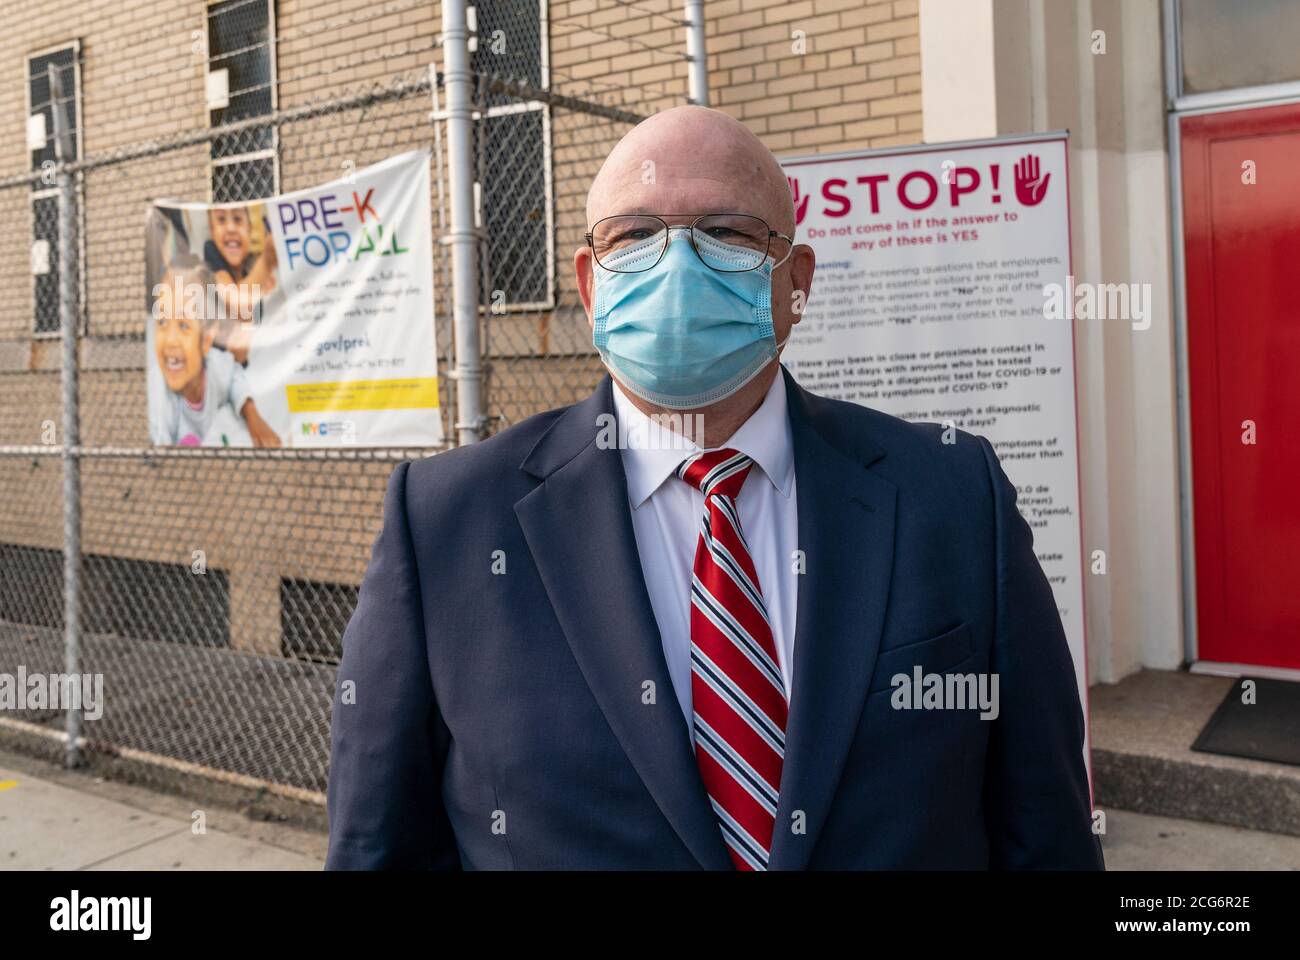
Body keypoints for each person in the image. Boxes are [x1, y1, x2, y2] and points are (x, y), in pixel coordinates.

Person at [325, 106, 1103, 871]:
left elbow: (1046, 834)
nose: (677, 268)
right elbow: (378, 848)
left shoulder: (955, 498)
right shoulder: (445, 524)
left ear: (795, 284)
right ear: (591, 288)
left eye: (725, 233)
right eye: (634, 236)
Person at [149, 255, 282, 448]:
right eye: (162, 321)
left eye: (183, 325)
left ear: (207, 339)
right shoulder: (160, 392)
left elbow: (234, 378)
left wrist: (253, 416)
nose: (170, 340)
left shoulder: (216, 365)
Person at [204, 205, 278, 364]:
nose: (231, 228)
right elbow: (235, 301)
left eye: (237, 219)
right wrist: (266, 262)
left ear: (249, 230)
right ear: (211, 230)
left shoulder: (251, 273)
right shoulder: (210, 254)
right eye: (221, 220)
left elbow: (249, 338)